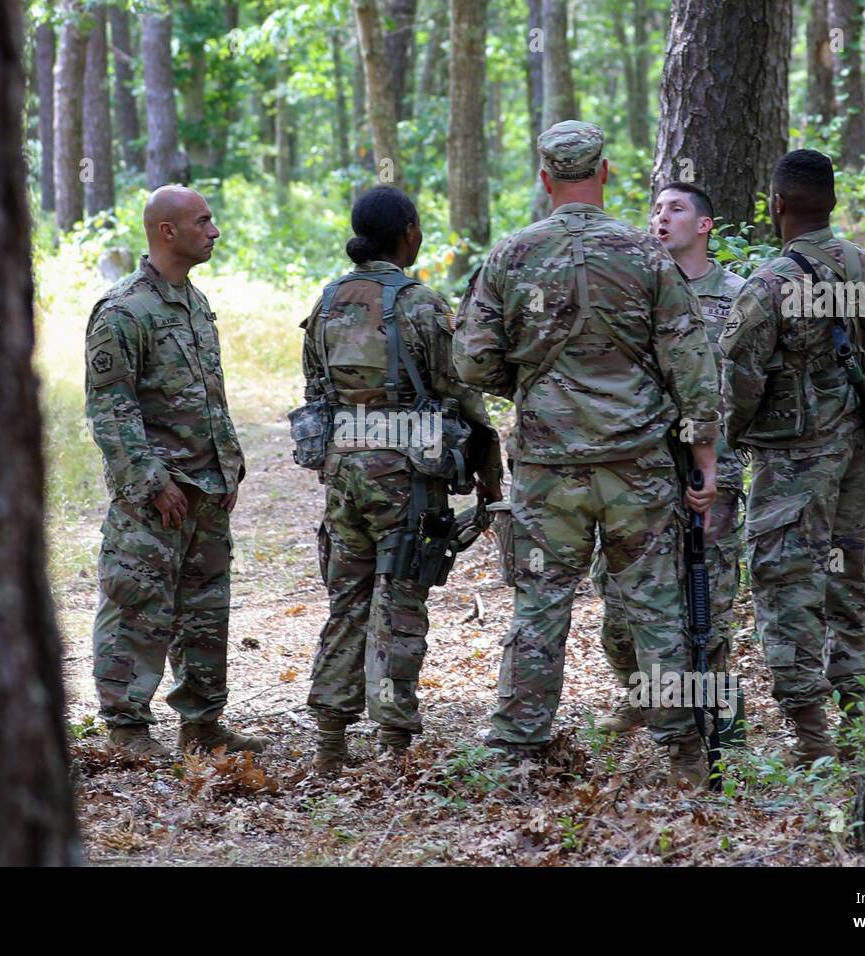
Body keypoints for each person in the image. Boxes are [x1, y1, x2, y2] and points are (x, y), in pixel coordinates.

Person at [453, 121, 722, 786]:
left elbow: (473, 359)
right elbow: (691, 364)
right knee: (654, 606)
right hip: (637, 466)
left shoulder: (511, 257)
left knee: (541, 604)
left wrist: (532, 384)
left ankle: (513, 751)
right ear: (606, 174)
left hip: (549, 469)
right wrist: (705, 459)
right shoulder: (648, 257)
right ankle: (684, 756)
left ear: (544, 179)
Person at [299, 186, 502, 775]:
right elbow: (462, 390)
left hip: (345, 471)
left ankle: (330, 743)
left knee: (348, 600)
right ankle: (392, 742)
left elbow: (317, 391)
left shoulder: (328, 301)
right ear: (407, 233)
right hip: (405, 475)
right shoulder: (419, 304)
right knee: (401, 602)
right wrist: (489, 474)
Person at [85, 185, 269, 758]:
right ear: (167, 231)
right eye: (202, 221)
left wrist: (229, 466)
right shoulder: (122, 311)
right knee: (137, 603)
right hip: (157, 495)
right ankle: (126, 728)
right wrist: (150, 481)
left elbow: (209, 396)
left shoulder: (193, 301)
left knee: (205, 609)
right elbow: (111, 411)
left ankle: (203, 724)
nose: (213, 231)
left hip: (207, 490)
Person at [720, 149, 865, 764]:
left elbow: (734, 382)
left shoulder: (769, 285)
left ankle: (812, 738)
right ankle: (859, 721)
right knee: (849, 580)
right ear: (834, 204)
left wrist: (714, 448)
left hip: (794, 462)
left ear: (777, 204)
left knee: (786, 584)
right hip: (858, 454)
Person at [597, 182, 748, 735]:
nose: (662, 217)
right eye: (656, 208)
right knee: (618, 611)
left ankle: (717, 729)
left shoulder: (739, 295)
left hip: (714, 469)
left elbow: (756, 382)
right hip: (635, 471)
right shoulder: (632, 291)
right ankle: (646, 695)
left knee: (711, 610)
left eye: (676, 209)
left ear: (704, 225)